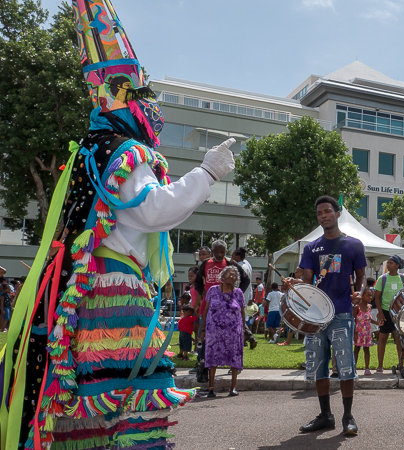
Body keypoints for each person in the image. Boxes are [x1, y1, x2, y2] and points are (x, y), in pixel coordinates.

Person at [0, 2, 236, 445]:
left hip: (90, 287)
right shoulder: (125, 151)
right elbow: (154, 209)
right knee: (130, 398)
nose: (152, 107)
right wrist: (207, 173)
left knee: (95, 397)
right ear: (123, 93)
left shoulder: (90, 148)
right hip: (115, 291)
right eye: (144, 95)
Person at [295, 195, 367, 436]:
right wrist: (294, 285)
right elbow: (306, 281)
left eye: (327, 211)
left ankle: (348, 416)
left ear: (337, 213)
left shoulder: (354, 244)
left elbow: (361, 278)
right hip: (316, 317)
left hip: (342, 313)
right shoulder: (311, 247)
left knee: (346, 367)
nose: (323, 216)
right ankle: (326, 415)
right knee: (318, 367)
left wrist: (360, 294)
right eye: (319, 213)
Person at [203, 265, 245, 397]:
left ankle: (233, 388)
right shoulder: (213, 290)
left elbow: (242, 312)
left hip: (233, 333)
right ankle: (211, 388)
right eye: (229, 274)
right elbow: (206, 310)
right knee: (212, 358)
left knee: (234, 358)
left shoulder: (238, 293)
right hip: (214, 331)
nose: (232, 277)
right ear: (222, 276)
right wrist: (202, 329)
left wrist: (242, 330)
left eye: (234, 275)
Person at [374, 255, 404, 373]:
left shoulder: (403, 278)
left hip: (399, 313)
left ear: (397, 265)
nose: (388, 265)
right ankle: (380, 365)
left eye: (391, 263)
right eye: (388, 263)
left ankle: (401, 364)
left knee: (399, 339)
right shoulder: (382, 279)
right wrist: (380, 313)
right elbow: (377, 297)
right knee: (382, 338)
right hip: (386, 312)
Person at [354, 277, 377, 375]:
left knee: (366, 350)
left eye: (371, 296)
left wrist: (377, 323)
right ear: (362, 296)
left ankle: (367, 368)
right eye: (368, 295)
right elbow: (354, 319)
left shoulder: (369, 307)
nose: (370, 298)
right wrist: (354, 333)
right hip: (358, 332)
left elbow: (369, 319)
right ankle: (353, 367)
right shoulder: (356, 307)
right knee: (356, 349)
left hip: (367, 333)